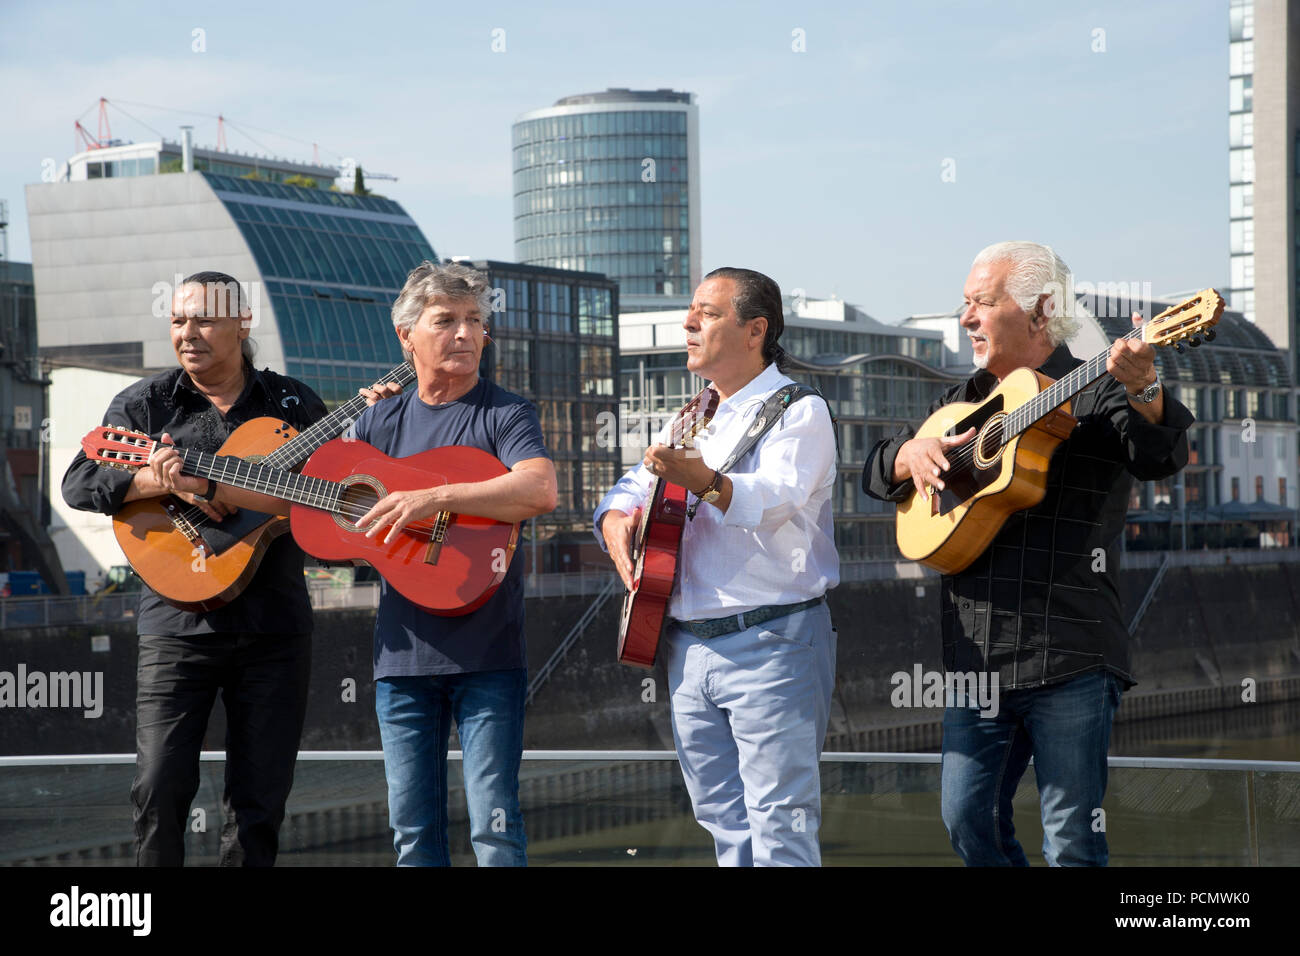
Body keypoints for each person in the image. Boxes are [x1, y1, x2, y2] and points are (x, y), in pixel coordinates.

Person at [863, 241, 1194, 866]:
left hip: (1069, 650)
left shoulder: (1099, 389)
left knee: (1072, 841)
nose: (966, 319)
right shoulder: (961, 404)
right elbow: (879, 469)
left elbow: (1160, 456)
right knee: (966, 820)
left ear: (1042, 309)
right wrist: (905, 455)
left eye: (981, 303)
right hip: (974, 656)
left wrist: (1146, 385)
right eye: (964, 304)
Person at [63, 270, 399, 866]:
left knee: (259, 802)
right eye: (176, 320)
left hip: (275, 626)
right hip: (175, 623)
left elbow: (333, 500)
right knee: (159, 787)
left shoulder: (293, 403)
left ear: (242, 325)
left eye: (203, 319)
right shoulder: (147, 402)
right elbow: (80, 480)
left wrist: (362, 450)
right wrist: (157, 479)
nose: (186, 333)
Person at [595, 267, 839, 866]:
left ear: (754, 330)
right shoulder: (690, 416)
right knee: (723, 822)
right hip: (688, 647)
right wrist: (615, 516)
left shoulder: (799, 411)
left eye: (706, 312)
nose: (688, 322)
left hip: (772, 640)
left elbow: (774, 500)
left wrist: (698, 479)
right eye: (691, 311)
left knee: (781, 824)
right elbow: (633, 483)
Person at [345, 261, 556, 867]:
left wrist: (433, 498)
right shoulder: (377, 419)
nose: (466, 334)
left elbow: (539, 490)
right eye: (447, 321)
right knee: (413, 836)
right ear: (406, 337)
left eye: (475, 321)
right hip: (401, 656)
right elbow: (325, 505)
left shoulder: (505, 413)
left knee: (495, 832)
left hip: (489, 655)